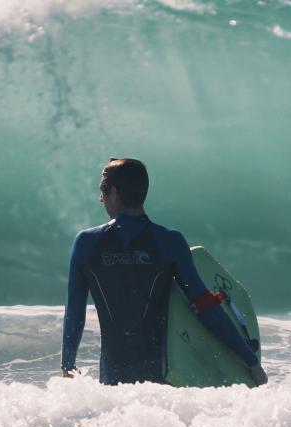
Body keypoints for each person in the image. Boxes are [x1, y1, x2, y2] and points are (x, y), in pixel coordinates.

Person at [60, 158, 269, 386]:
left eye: (103, 190)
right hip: (163, 382)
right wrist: (251, 361)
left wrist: (68, 366)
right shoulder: (169, 242)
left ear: (115, 193)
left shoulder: (87, 243)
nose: (101, 199)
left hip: (113, 384)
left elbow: (75, 314)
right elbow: (204, 305)